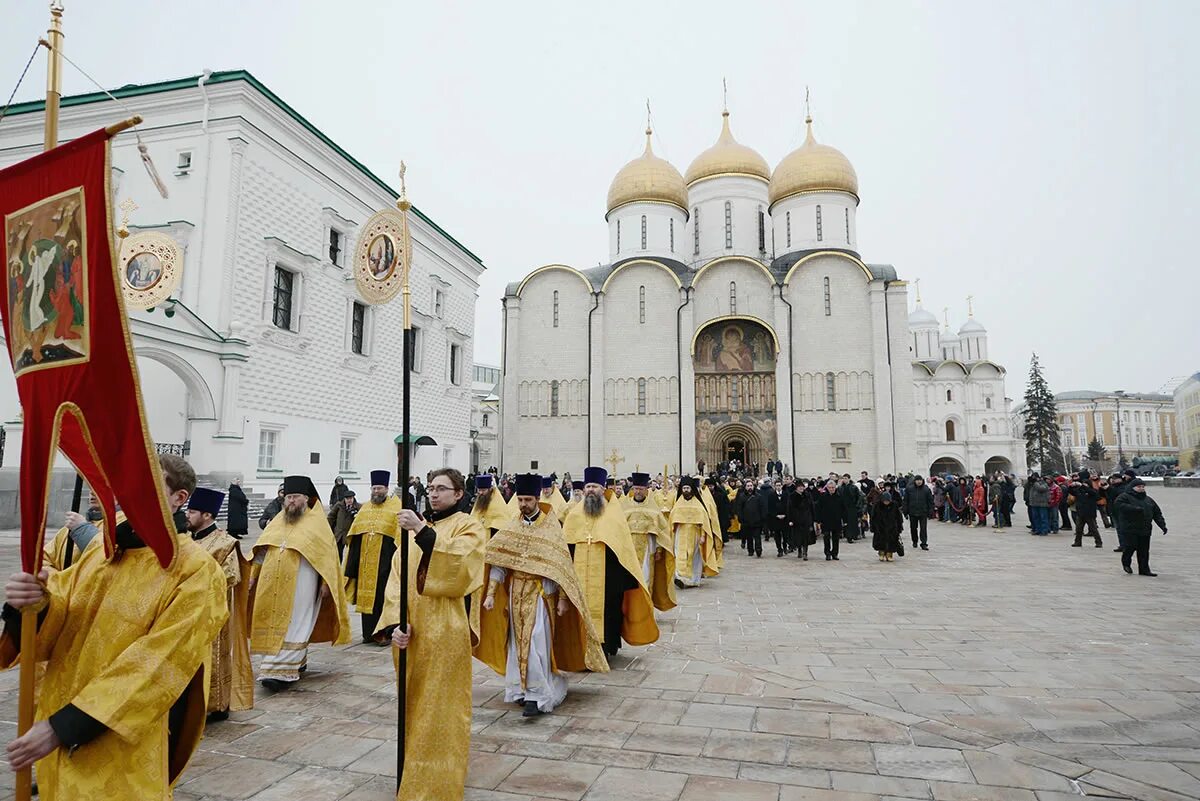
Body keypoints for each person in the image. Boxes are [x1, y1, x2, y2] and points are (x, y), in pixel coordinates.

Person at [1, 454, 227, 798]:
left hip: (115, 740)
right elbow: (64, 612)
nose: (131, 491)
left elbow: (160, 663)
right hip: (57, 721)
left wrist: (65, 726)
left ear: (179, 499)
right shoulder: (102, 545)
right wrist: (34, 603)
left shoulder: (195, 570)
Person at [376, 468, 486, 800]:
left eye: (441, 489)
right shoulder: (410, 531)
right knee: (413, 705)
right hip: (413, 633)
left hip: (446, 634)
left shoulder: (469, 526)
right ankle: (413, 773)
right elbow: (397, 578)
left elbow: (461, 567)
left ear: (458, 494)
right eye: (430, 488)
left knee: (440, 710)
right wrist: (395, 624)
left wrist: (422, 530)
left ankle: (439, 783)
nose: (433, 494)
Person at [476, 474, 608, 716]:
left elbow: (561, 568)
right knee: (516, 643)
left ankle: (536, 695)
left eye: (528, 499)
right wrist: (491, 594)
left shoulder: (551, 528)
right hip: (516, 593)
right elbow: (499, 562)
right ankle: (520, 689)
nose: (523, 504)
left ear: (537, 499)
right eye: (520, 500)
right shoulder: (512, 526)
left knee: (537, 642)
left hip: (541, 596)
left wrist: (563, 600)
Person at [249, 475, 350, 688]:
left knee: (296, 619)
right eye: (288, 497)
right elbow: (261, 550)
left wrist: (325, 584)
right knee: (275, 620)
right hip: (272, 583)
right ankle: (296, 659)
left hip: (303, 581)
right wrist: (253, 575)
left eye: (295, 497)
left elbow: (327, 556)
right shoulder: (278, 521)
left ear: (306, 498)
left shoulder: (317, 523)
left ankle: (279, 671)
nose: (291, 501)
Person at [562, 467, 658, 658]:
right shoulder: (573, 515)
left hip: (608, 576)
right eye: (588, 486)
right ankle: (580, 647)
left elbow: (622, 546)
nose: (590, 490)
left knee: (610, 610)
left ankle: (606, 646)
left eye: (595, 486)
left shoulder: (614, 514)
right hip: (579, 573)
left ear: (603, 488)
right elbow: (567, 545)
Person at [186, 486, 253, 722]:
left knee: (213, 657)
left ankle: (216, 704)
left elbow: (231, 576)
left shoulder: (225, 543)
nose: (187, 515)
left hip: (213, 612)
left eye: (192, 511)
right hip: (187, 612)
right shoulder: (186, 540)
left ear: (207, 515)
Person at [342, 471, 401, 644]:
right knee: (365, 598)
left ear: (386, 488)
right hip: (364, 562)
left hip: (385, 561)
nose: (376, 491)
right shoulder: (365, 508)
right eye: (374, 488)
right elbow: (355, 535)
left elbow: (399, 537)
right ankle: (368, 634)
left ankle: (383, 633)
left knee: (383, 597)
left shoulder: (395, 507)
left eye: (380, 488)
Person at [621, 473, 676, 611]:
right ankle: (631, 610)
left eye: (641, 489)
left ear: (646, 490)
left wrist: (658, 550)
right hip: (629, 550)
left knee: (645, 579)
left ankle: (645, 609)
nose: (638, 491)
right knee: (629, 580)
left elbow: (661, 532)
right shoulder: (624, 507)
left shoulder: (653, 508)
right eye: (635, 489)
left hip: (647, 550)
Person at [1113, 478, 1167, 576]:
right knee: (1130, 547)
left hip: (1145, 529)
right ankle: (1126, 563)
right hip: (1129, 528)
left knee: (1144, 551)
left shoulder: (1148, 500)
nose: (1141, 488)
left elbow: (1157, 513)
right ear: (1133, 487)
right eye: (1139, 487)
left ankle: (1144, 570)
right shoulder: (1124, 497)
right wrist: (1134, 509)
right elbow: (1118, 506)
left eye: (1143, 487)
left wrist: (1162, 525)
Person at [671, 476, 721, 578]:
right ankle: (680, 576)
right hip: (680, 534)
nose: (685, 490)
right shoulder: (678, 504)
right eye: (684, 488)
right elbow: (672, 520)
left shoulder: (698, 504)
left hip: (695, 534)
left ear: (691, 489)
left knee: (693, 556)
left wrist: (703, 535)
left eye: (687, 488)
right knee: (680, 554)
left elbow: (703, 522)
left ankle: (693, 578)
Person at [471, 473, 515, 538]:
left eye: (483, 490)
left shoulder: (498, 503)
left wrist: (490, 524)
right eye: (479, 490)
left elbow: (503, 523)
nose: (480, 493)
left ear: (490, 489)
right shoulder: (479, 501)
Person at [1067, 468, 1103, 548]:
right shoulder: (1079, 491)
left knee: (1093, 529)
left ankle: (1098, 542)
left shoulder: (1092, 491)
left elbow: (1097, 496)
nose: (1084, 485)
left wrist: (1085, 487)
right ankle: (1077, 542)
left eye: (1086, 484)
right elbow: (1071, 492)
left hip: (1089, 513)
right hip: (1080, 512)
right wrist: (1071, 486)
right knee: (1078, 529)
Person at [902, 475, 934, 550]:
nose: (919, 482)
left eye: (920, 480)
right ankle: (915, 541)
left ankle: (924, 543)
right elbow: (905, 501)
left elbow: (930, 501)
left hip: (923, 512)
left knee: (923, 528)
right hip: (912, 512)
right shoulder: (909, 489)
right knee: (913, 528)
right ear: (915, 481)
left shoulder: (926, 489)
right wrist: (905, 511)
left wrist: (930, 511)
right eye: (917, 480)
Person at [871, 490, 903, 561]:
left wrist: (899, 527)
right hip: (880, 526)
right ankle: (881, 553)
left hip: (892, 527)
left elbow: (899, 518)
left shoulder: (894, 506)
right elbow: (873, 517)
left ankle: (889, 554)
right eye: (885, 501)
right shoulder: (877, 506)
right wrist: (873, 527)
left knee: (891, 540)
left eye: (888, 501)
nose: (886, 502)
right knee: (880, 540)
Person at [326, 488, 359, 559]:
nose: (349, 500)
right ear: (344, 499)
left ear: (353, 498)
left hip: (351, 534)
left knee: (351, 554)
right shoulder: (339, 505)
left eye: (351, 498)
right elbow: (331, 517)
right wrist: (327, 527)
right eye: (347, 498)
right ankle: (338, 568)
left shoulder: (358, 507)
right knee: (337, 554)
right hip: (340, 534)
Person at [815, 480, 843, 560]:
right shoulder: (823, 496)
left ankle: (835, 553)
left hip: (836, 520)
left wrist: (844, 520)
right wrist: (818, 520)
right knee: (826, 537)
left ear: (835, 488)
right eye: (830, 488)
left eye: (833, 488)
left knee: (836, 538)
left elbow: (843, 509)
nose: (831, 489)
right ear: (827, 488)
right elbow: (818, 509)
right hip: (825, 520)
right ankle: (827, 553)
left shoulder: (839, 496)